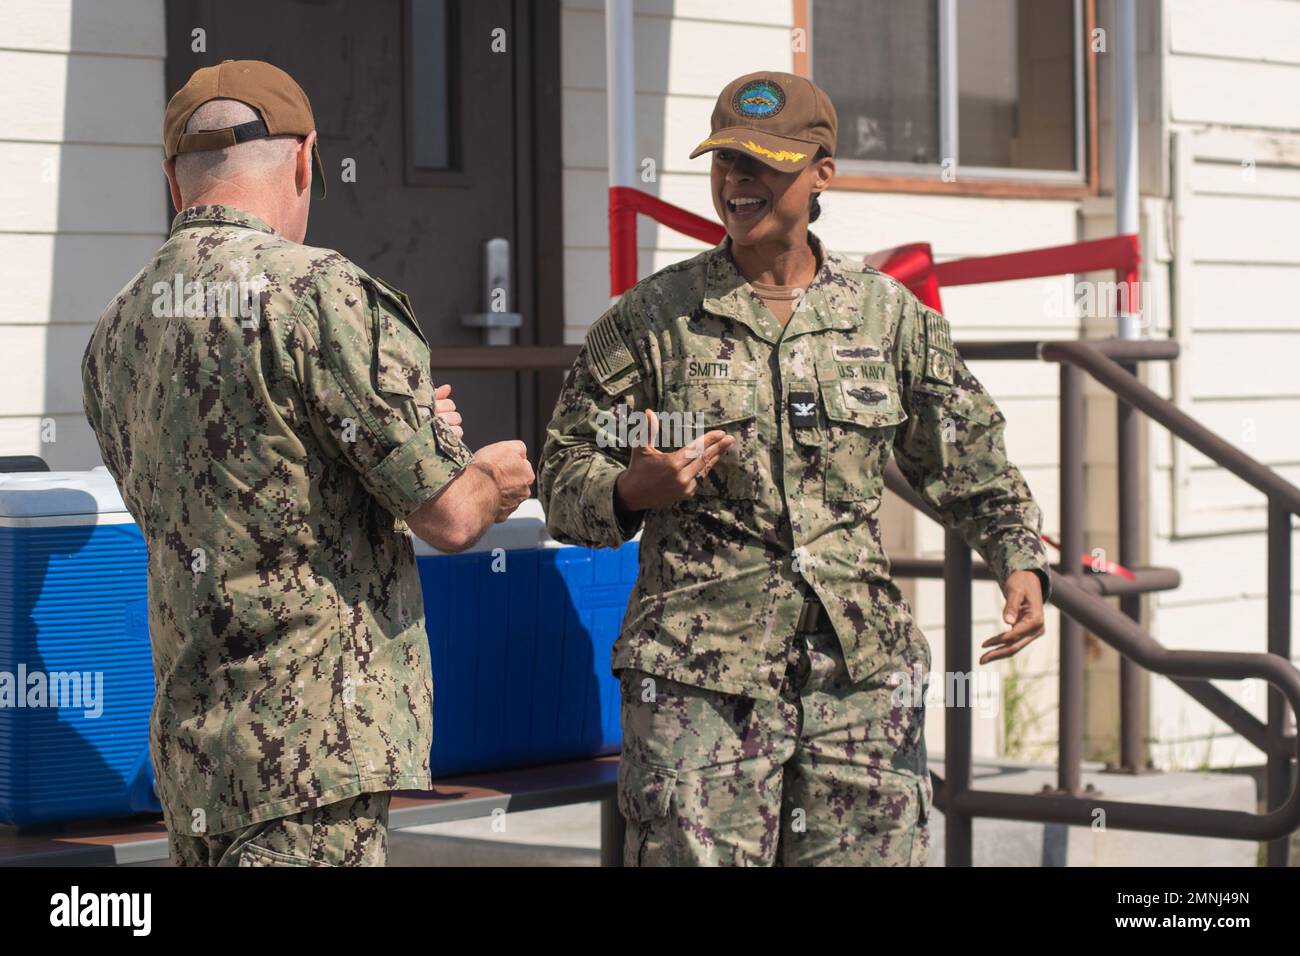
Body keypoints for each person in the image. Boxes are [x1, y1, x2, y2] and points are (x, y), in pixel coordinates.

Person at [539, 70, 1051, 866]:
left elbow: (968, 451)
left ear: (821, 174)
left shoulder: (887, 317)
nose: (738, 182)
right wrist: (631, 489)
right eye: (725, 163)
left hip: (861, 679)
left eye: (763, 163)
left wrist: (1018, 557)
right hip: (700, 686)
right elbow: (563, 476)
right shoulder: (651, 324)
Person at [81, 59, 534, 867]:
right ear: (304, 158)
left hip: (195, 759)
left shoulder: (118, 327)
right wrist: (493, 477)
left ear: (173, 181)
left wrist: (380, 433)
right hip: (311, 752)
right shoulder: (321, 292)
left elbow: (223, 484)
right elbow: (453, 515)